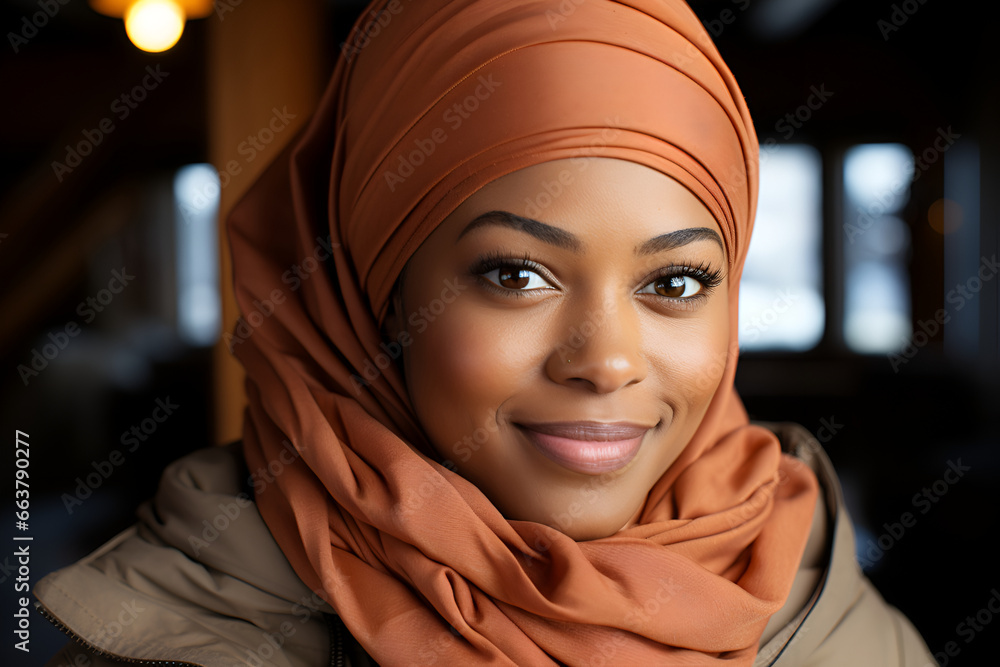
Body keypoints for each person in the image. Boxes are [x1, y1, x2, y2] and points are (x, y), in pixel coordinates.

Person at [34, 0, 935, 664]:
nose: (608, 361)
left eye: (675, 282)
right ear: (377, 294)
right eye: (517, 275)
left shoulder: (820, 602)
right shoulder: (177, 635)